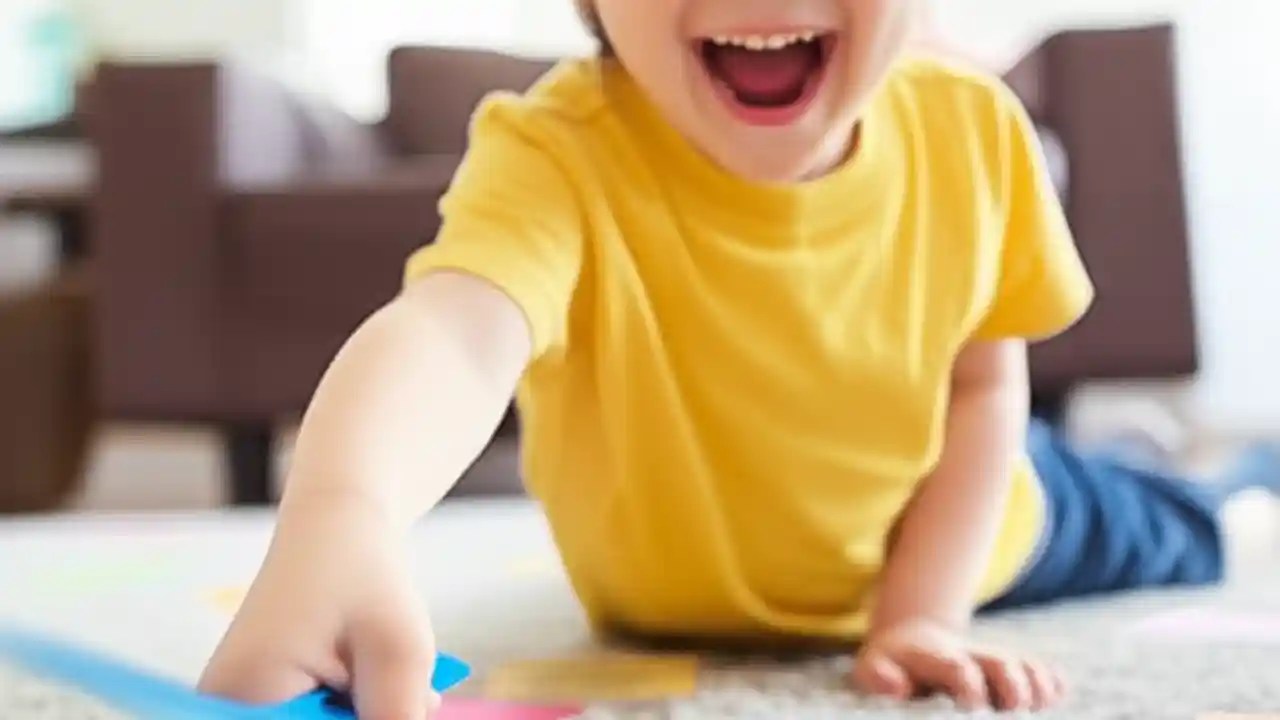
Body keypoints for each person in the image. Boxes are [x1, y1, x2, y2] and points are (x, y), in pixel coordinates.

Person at [197, 0, 1273, 715]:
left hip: (991, 522)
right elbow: (454, 333)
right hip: (673, 595)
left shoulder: (969, 133)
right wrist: (342, 510)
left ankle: (1233, 476)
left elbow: (983, 388)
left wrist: (920, 616)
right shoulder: (556, 152)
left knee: (1193, 523)